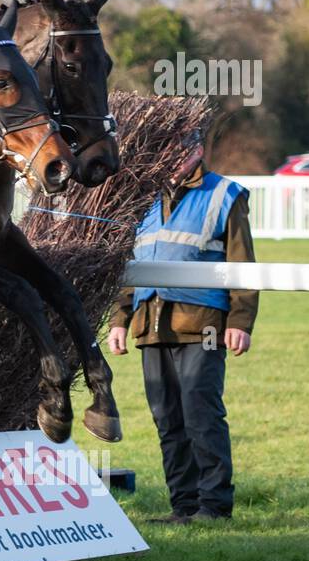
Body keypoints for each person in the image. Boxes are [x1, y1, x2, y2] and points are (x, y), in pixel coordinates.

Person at [107, 130, 258, 524]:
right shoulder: (142, 199)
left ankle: (214, 506)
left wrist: (240, 321)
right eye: (165, 147)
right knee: (167, 418)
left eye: (180, 148)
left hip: (203, 323)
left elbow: (242, 264)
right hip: (150, 323)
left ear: (197, 150)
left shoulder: (225, 194)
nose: (172, 156)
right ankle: (184, 506)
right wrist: (120, 319)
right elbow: (130, 266)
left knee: (200, 414)